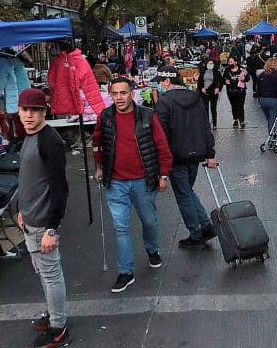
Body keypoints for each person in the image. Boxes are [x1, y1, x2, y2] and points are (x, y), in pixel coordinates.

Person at [93, 78, 174, 293]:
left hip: (143, 180)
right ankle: (125, 272)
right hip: (116, 182)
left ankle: (152, 248)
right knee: (120, 228)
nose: (119, 98)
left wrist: (163, 175)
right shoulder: (105, 117)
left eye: (123, 93)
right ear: (110, 95)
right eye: (115, 93)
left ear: (132, 94)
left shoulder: (147, 116)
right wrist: (99, 166)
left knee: (149, 221)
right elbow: (97, 143)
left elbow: (161, 145)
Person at [15, 88, 71, 348]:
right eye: (25, 110)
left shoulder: (49, 140)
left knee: (51, 275)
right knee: (42, 273)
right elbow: (29, 179)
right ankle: (53, 313)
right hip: (30, 220)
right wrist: (21, 210)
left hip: (43, 223)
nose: (28, 115)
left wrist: (52, 227)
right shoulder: (29, 136)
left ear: (44, 111)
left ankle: (58, 328)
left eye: (34, 110)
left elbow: (59, 188)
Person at [156, 73, 219, 248]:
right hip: (196, 153)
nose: (159, 86)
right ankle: (206, 225)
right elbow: (205, 125)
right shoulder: (196, 98)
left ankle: (196, 234)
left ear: (167, 81)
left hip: (176, 155)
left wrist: (162, 160)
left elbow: (161, 134)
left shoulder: (164, 101)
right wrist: (210, 152)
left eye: (160, 82)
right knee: (188, 191)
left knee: (183, 194)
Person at [255, 57, 277, 132]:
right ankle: (271, 136)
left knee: (269, 118)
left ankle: (273, 133)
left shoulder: (261, 75)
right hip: (273, 100)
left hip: (262, 100)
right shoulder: (276, 75)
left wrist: (259, 99)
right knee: (272, 119)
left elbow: (258, 89)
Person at [195, 56, 223, 129]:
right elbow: (200, 81)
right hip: (204, 93)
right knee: (205, 108)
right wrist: (201, 88)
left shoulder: (216, 72)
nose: (210, 65)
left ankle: (214, 124)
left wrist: (218, 88)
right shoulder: (203, 71)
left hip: (213, 93)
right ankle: (207, 124)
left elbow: (221, 82)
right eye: (209, 63)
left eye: (211, 63)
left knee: (213, 108)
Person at [223, 57, 250, 129]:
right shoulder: (227, 70)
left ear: (236, 62)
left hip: (240, 91)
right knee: (234, 106)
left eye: (231, 62)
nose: (230, 63)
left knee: (240, 106)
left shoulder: (242, 69)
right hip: (231, 91)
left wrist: (244, 78)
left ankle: (242, 121)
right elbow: (223, 78)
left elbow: (248, 78)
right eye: (229, 62)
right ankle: (235, 119)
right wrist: (225, 81)